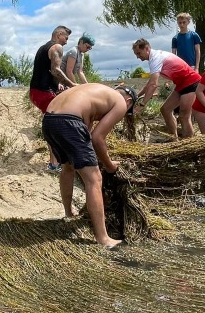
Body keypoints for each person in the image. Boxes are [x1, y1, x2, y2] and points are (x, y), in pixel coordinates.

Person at [42, 83, 136, 248]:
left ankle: (68, 212)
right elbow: (97, 138)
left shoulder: (95, 92)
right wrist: (109, 165)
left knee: (68, 167)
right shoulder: (120, 103)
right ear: (128, 101)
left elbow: (86, 132)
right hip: (69, 121)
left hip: (49, 120)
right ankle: (103, 238)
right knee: (94, 179)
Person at [131, 38, 202, 139]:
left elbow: (153, 85)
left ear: (146, 48)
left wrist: (142, 105)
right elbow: (149, 84)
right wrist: (136, 97)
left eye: (138, 53)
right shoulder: (153, 58)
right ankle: (174, 138)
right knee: (165, 110)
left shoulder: (155, 58)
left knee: (184, 116)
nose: (138, 57)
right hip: (181, 84)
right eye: (136, 54)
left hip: (192, 82)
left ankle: (189, 143)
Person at [29, 25, 76, 172]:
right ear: (59, 34)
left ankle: (57, 160)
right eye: (66, 38)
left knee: (56, 121)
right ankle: (54, 164)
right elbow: (56, 70)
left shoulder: (43, 47)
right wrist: (72, 84)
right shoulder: (57, 47)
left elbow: (48, 71)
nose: (66, 42)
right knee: (56, 126)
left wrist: (58, 85)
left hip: (36, 92)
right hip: (43, 93)